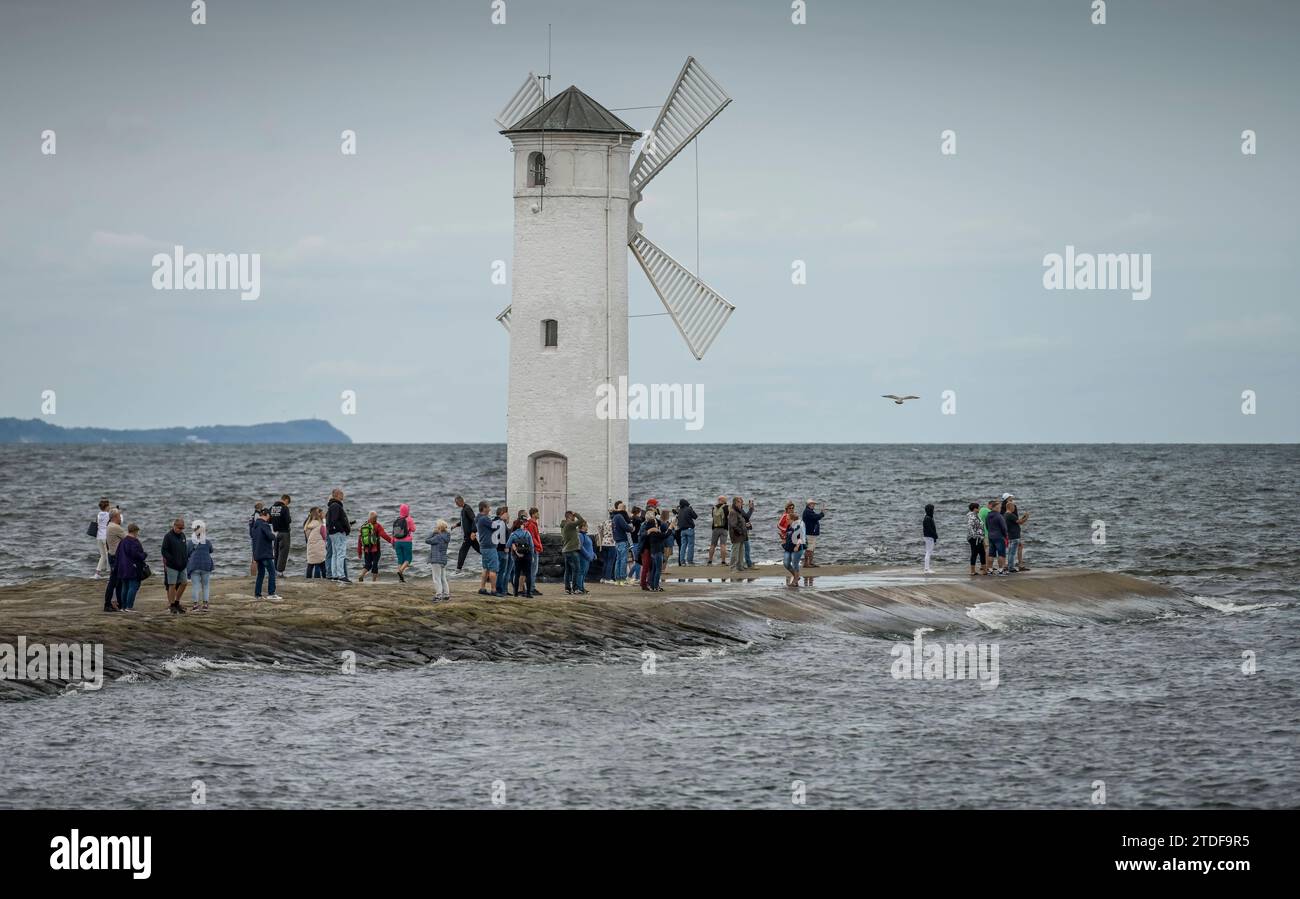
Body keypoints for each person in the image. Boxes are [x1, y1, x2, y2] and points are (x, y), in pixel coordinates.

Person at [114, 523, 147, 612]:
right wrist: (144, 555)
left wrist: (116, 567)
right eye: (137, 532)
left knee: (125, 587)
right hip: (132, 568)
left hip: (122, 568)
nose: (137, 534)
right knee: (133, 586)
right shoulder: (134, 542)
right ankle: (129, 607)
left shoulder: (122, 541)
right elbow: (136, 555)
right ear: (135, 531)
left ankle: (123, 607)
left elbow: (117, 554)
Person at [161, 518, 190, 615]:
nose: (181, 530)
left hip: (182, 565)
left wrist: (185, 560)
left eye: (182, 528)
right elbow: (164, 551)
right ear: (174, 526)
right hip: (172, 566)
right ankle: (172, 604)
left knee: (184, 583)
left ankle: (177, 602)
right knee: (172, 585)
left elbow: (184, 549)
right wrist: (172, 560)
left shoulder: (182, 535)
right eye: (179, 528)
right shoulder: (168, 536)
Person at [251, 507, 280, 597]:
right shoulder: (264, 525)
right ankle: (271, 593)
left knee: (261, 574)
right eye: (269, 516)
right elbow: (270, 536)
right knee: (272, 572)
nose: (269, 518)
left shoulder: (255, 525)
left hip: (257, 554)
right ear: (267, 515)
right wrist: (274, 535)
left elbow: (254, 540)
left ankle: (257, 594)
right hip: (265, 554)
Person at [186, 520, 215, 612]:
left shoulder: (191, 542)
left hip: (194, 565)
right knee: (206, 585)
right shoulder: (207, 542)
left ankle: (195, 606)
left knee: (195, 586)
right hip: (206, 565)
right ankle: (205, 605)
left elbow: (187, 553)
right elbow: (211, 550)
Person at [357, 512, 394, 582]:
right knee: (375, 564)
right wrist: (392, 542)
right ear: (376, 518)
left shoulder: (363, 526)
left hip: (366, 550)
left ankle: (361, 575)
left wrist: (359, 552)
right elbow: (384, 535)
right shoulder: (377, 526)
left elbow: (360, 540)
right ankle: (374, 581)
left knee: (367, 564)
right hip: (375, 549)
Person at [103, 509, 126, 611]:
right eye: (119, 516)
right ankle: (108, 605)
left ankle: (119, 604)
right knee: (114, 582)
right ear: (115, 517)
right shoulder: (115, 527)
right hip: (116, 557)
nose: (120, 517)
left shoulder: (109, 526)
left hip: (112, 555)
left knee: (118, 582)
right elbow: (128, 538)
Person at [326, 489, 351, 582]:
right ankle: (341, 575)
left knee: (335, 554)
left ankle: (335, 574)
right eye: (342, 494)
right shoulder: (336, 505)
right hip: (338, 533)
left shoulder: (332, 505)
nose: (343, 496)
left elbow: (332, 520)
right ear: (337, 495)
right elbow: (335, 520)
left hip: (333, 533)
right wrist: (342, 529)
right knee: (340, 553)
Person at [425, 520, 452, 601]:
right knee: (443, 578)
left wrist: (433, 532)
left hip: (436, 560)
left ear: (439, 527)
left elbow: (427, 540)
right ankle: (446, 594)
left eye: (436, 526)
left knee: (436, 578)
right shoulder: (446, 536)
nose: (435, 527)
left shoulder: (437, 537)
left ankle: (438, 595)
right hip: (443, 559)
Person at [560, 510, 586, 595]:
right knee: (576, 570)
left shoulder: (564, 525)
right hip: (572, 550)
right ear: (569, 517)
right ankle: (575, 588)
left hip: (566, 550)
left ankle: (567, 589)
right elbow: (582, 521)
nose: (574, 518)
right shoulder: (569, 524)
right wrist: (576, 514)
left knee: (568, 570)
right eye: (573, 516)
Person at [508, 517, 535, 597]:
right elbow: (531, 546)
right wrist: (532, 556)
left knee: (517, 574)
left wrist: (514, 547)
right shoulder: (527, 533)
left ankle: (515, 593)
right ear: (521, 526)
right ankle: (529, 593)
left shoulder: (513, 534)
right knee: (528, 574)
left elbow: (508, 544)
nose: (524, 526)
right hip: (527, 555)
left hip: (517, 556)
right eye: (523, 524)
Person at [475, 501, 498, 595]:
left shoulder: (478, 518)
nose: (490, 509)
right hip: (489, 547)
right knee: (493, 569)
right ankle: (493, 590)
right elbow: (495, 526)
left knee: (486, 568)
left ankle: (482, 588)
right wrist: (499, 521)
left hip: (484, 546)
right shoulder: (484, 518)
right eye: (488, 507)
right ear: (484, 508)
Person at [638, 509, 664, 591]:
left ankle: (651, 583)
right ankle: (643, 584)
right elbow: (641, 535)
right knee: (646, 567)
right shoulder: (644, 525)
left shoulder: (655, 523)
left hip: (652, 548)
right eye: (653, 518)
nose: (654, 520)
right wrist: (649, 531)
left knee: (652, 567)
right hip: (645, 548)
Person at [391, 503, 416, 583]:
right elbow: (413, 529)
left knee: (400, 559)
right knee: (408, 558)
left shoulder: (397, 520)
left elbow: (393, 533)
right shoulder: (409, 519)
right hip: (406, 541)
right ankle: (400, 571)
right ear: (407, 510)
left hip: (397, 541)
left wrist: (393, 542)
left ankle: (400, 579)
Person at [453, 495, 479, 570]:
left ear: (460, 501)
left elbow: (474, 519)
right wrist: (456, 525)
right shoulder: (463, 509)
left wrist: (474, 532)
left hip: (469, 535)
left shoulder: (467, 509)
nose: (456, 504)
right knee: (480, 550)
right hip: (469, 536)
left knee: (462, 551)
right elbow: (464, 521)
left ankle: (458, 569)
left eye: (456, 503)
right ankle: (490, 557)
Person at [1004, 495, 1029, 572]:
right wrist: (1026, 517)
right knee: (1012, 553)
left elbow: (1017, 520)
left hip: (1011, 535)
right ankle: (1010, 567)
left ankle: (1010, 566)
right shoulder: (1010, 515)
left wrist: (1023, 517)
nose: (1014, 508)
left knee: (1012, 551)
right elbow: (1020, 522)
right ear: (1011, 507)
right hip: (1014, 536)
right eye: (1013, 507)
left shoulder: (1006, 515)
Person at [985, 498, 1009, 575]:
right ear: (995, 507)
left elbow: (987, 526)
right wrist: (1006, 536)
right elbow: (1004, 528)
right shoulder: (999, 516)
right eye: (999, 507)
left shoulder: (988, 515)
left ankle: (990, 570)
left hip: (991, 536)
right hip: (999, 537)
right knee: (1001, 553)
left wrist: (990, 532)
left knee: (991, 554)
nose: (1000, 508)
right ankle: (1001, 570)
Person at [783, 509, 807, 586]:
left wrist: (797, 546)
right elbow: (788, 535)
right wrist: (783, 538)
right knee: (786, 563)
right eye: (786, 519)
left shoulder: (799, 526)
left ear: (793, 519)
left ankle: (795, 580)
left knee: (795, 564)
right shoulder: (789, 526)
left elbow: (801, 537)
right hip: (788, 548)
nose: (786, 520)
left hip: (797, 548)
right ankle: (796, 576)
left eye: (788, 519)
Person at [610, 501, 632, 585]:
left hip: (617, 541)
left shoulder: (613, 516)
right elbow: (626, 527)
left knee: (618, 560)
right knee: (623, 560)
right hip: (622, 540)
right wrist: (631, 529)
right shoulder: (619, 516)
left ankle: (617, 579)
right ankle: (622, 578)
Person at [270, 494, 292, 576]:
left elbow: (269, 519)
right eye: (288, 503)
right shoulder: (284, 508)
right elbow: (288, 520)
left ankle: (275, 571)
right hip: (284, 532)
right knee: (283, 553)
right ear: (286, 500)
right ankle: (280, 572)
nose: (287, 505)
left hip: (275, 533)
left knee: (276, 552)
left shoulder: (272, 507)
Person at [728, 497, 751, 572]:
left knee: (741, 551)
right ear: (736, 503)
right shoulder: (733, 512)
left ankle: (740, 566)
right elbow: (733, 525)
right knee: (735, 551)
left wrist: (745, 526)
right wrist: (740, 531)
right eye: (740, 502)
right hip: (736, 535)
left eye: (741, 502)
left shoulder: (739, 511)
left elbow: (740, 522)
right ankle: (733, 567)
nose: (742, 504)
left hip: (742, 535)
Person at [303, 507, 328, 578]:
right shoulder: (320, 525)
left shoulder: (308, 524)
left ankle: (308, 580)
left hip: (310, 547)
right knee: (322, 564)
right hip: (319, 547)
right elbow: (324, 536)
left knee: (310, 565)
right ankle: (324, 578)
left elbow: (307, 536)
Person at [493, 506, 511, 596]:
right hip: (502, 550)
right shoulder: (500, 523)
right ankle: (499, 589)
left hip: (497, 549)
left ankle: (500, 589)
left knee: (499, 571)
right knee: (501, 571)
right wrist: (506, 546)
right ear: (502, 514)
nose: (508, 515)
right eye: (506, 514)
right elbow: (501, 537)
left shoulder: (495, 522)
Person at [801, 500, 825, 568]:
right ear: (809, 504)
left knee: (812, 548)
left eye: (814, 504)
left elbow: (815, 517)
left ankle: (810, 562)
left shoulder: (809, 511)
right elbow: (816, 517)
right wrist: (822, 513)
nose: (814, 505)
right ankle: (806, 563)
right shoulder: (808, 511)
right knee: (809, 548)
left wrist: (821, 514)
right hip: (810, 532)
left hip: (811, 532)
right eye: (813, 504)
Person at [526, 508, 544, 596]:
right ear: (533, 514)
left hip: (535, 549)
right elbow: (532, 538)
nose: (538, 514)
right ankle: (531, 588)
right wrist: (538, 546)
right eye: (537, 513)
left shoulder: (533, 524)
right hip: (533, 549)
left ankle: (531, 587)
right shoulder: (531, 524)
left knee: (533, 570)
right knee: (533, 570)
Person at [675, 498, 697, 566]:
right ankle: (690, 561)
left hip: (682, 530)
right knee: (690, 545)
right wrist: (692, 509)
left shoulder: (679, 511)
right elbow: (695, 516)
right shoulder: (688, 509)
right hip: (689, 529)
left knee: (683, 546)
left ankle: (682, 562)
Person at [707, 495, 729, 565]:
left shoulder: (714, 508)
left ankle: (710, 561)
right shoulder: (726, 507)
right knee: (723, 545)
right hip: (724, 528)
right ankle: (723, 561)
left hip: (715, 528)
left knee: (712, 545)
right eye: (725, 499)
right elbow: (728, 517)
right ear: (723, 500)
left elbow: (712, 517)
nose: (726, 500)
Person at [966, 502, 986, 577]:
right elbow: (970, 527)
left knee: (982, 553)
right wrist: (975, 536)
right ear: (975, 509)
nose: (979, 509)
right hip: (975, 538)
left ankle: (984, 570)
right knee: (974, 553)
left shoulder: (976, 516)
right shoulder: (972, 516)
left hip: (979, 538)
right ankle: (972, 571)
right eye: (978, 507)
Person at [94, 499, 112, 578]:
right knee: (108, 555)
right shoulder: (108, 515)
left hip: (98, 537)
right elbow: (119, 521)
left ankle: (97, 573)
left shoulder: (98, 514)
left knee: (103, 555)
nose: (110, 507)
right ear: (107, 506)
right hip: (106, 537)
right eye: (109, 505)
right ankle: (109, 573)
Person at [576, 521, 595, 594]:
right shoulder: (580, 535)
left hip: (588, 557)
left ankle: (582, 587)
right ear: (582, 527)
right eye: (586, 526)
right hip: (583, 557)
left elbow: (590, 547)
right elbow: (580, 546)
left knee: (584, 572)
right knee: (581, 572)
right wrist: (587, 555)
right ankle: (579, 588)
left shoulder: (586, 536)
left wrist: (593, 554)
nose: (587, 527)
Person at [628, 505, 645, 582]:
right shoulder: (637, 520)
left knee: (637, 561)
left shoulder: (630, 519)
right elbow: (641, 520)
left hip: (632, 542)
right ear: (638, 513)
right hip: (637, 542)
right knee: (638, 561)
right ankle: (636, 578)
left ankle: (631, 576)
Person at [595, 515, 615, 583]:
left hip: (604, 543)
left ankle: (603, 578)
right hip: (612, 543)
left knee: (606, 561)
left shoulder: (605, 522)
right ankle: (608, 578)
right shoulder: (614, 522)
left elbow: (598, 528)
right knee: (610, 561)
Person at [922, 504, 938, 574]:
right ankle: (926, 569)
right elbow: (929, 529)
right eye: (932, 509)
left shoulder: (927, 517)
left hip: (928, 537)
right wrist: (935, 535)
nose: (933, 511)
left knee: (928, 552)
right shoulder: (928, 518)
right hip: (929, 537)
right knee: (928, 552)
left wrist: (934, 536)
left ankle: (927, 568)